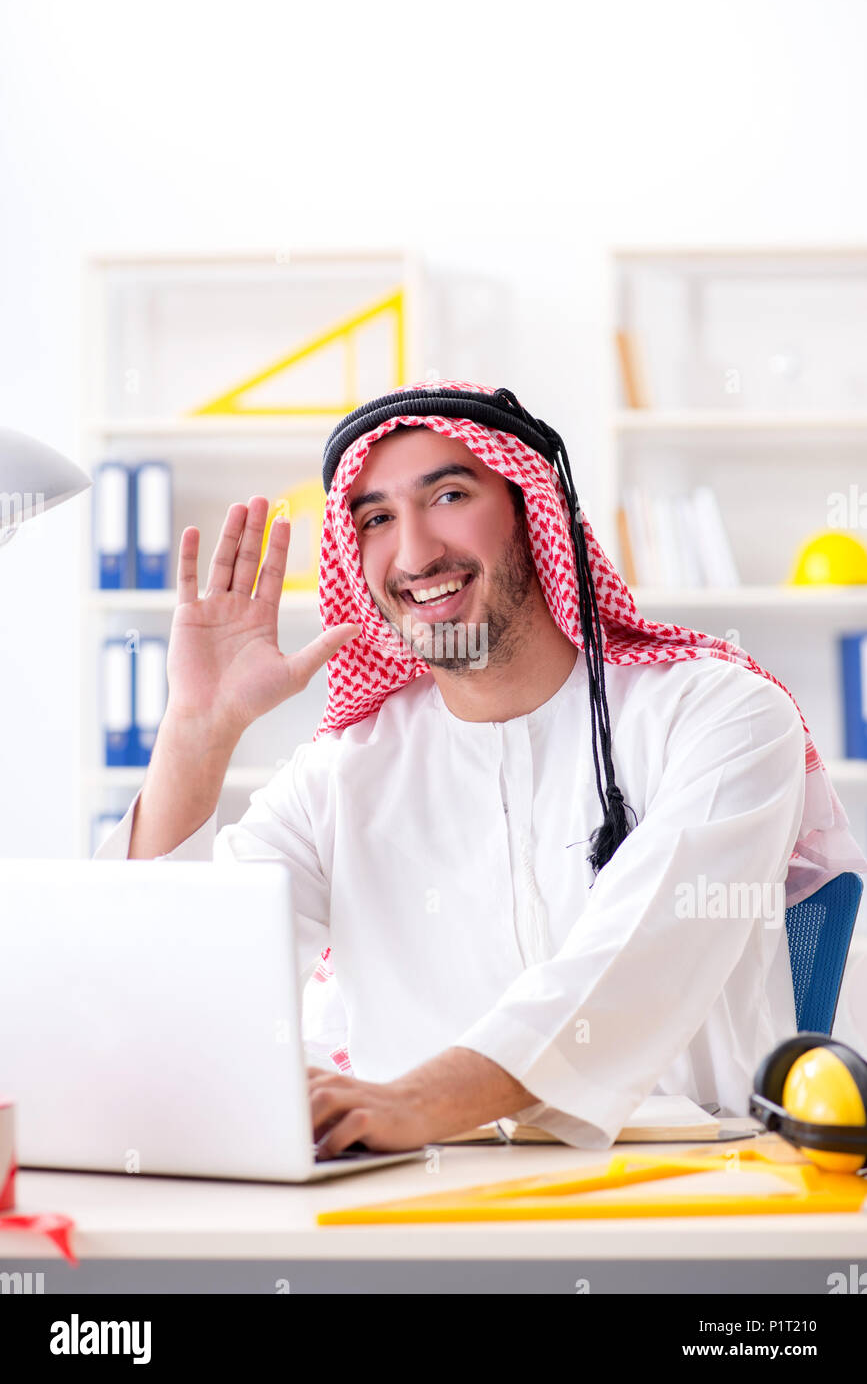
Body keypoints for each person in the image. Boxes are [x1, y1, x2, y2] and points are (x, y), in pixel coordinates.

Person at [94, 379, 867, 1155]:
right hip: (411, 1195)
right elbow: (172, 972)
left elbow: (636, 962)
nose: (416, 552)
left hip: (689, 1192)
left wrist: (417, 1101)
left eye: (450, 494)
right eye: (377, 520)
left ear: (537, 514)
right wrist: (198, 728)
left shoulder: (718, 714)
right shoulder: (340, 776)